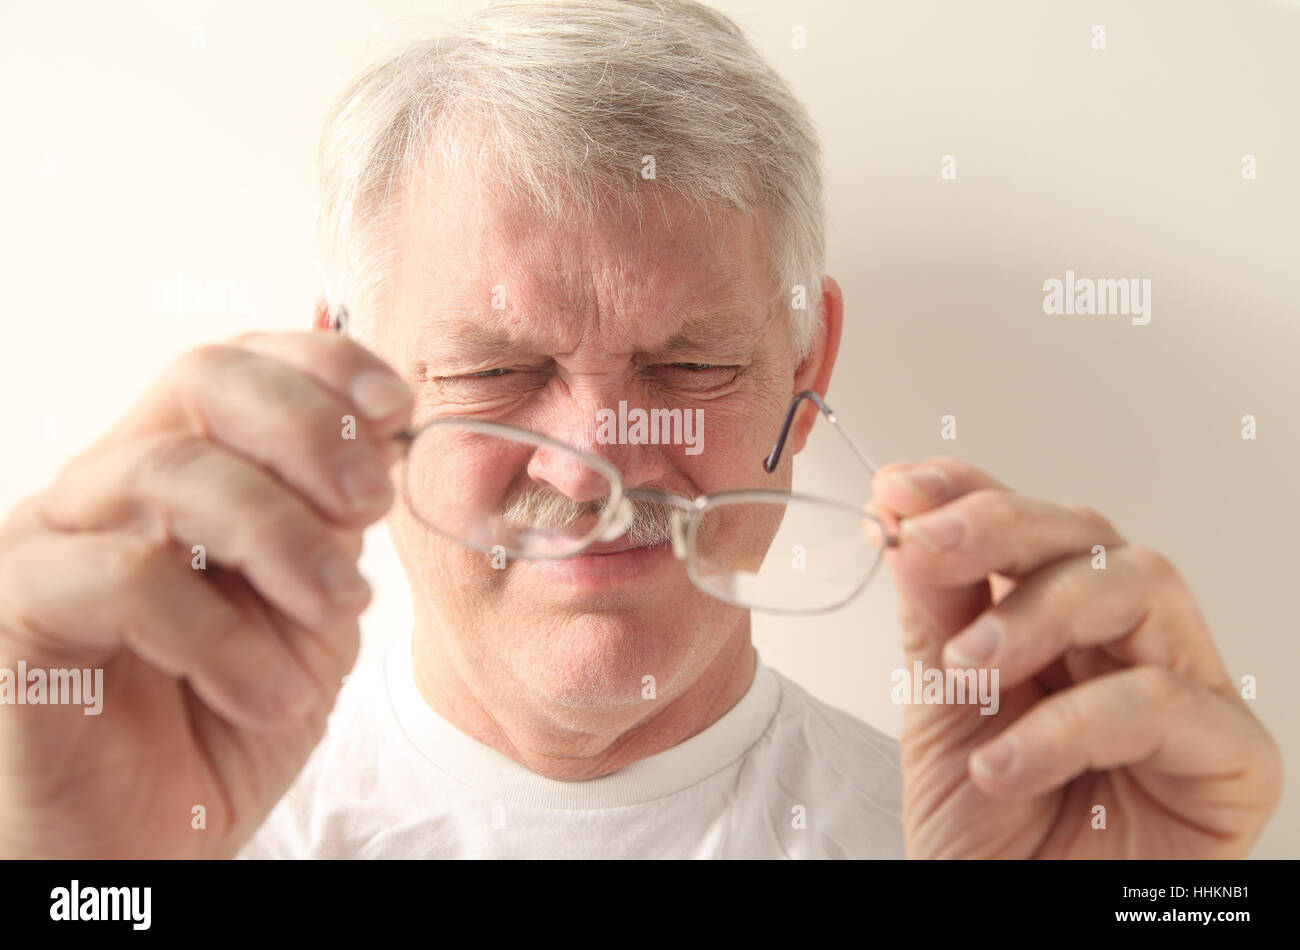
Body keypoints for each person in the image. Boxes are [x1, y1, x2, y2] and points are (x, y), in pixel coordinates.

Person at [0, 0, 1280, 859]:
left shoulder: (996, 838)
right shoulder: (161, 836)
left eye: (691, 361)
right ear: (350, 377)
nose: (598, 459)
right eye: (498, 368)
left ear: (806, 362)